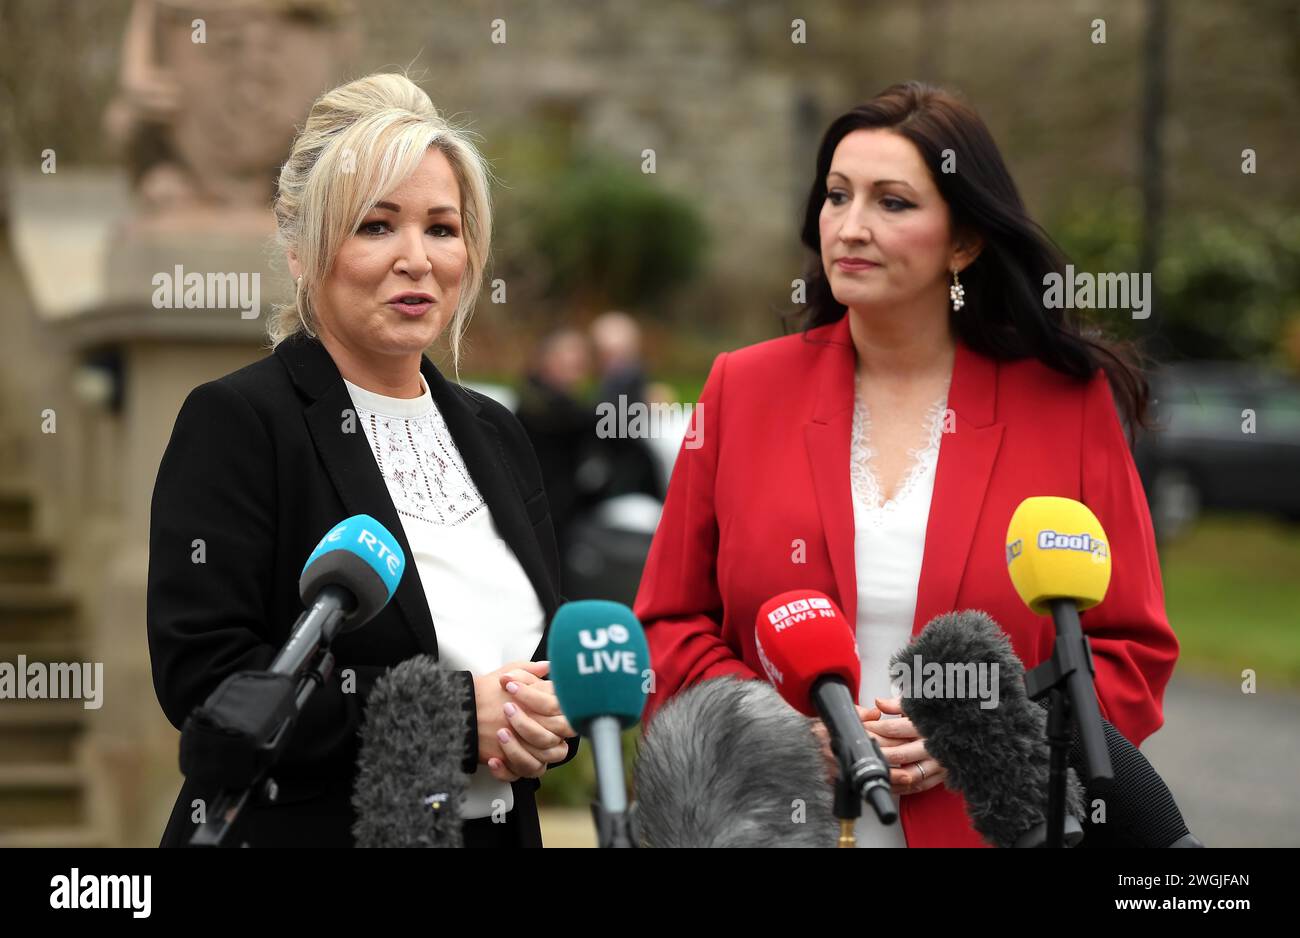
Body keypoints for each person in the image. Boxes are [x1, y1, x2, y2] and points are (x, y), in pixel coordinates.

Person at [633, 81, 1179, 847]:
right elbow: (667, 624)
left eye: (892, 203)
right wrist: (782, 732)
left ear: (964, 240)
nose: (850, 227)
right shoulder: (741, 389)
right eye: (836, 196)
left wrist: (990, 741)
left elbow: (1131, 652)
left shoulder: (1067, 405)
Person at [148, 72, 577, 848]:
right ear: (305, 251)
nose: (417, 258)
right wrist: (450, 717)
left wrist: (551, 723)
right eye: (377, 226)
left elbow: (536, 663)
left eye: (442, 228)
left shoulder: (497, 433)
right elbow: (209, 688)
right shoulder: (240, 422)